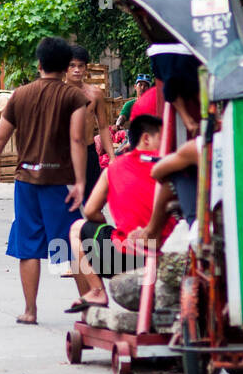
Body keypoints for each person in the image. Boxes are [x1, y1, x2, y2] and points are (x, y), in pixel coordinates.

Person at [0, 37, 88, 324]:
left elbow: (0, 137)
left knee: (29, 245)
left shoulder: (20, 95)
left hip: (25, 181)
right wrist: (81, 181)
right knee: (73, 243)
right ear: (65, 66)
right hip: (60, 181)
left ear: (39, 64)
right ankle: (90, 308)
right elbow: (77, 139)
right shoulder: (73, 97)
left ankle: (30, 311)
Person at [65, 115, 175, 311]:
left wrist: (104, 225)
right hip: (169, 252)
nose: (166, 142)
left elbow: (90, 211)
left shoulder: (113, 169)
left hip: (125, 256)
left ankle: (97, 291)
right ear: (146, 138)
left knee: (76, 228)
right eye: (162, 137)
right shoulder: (172, 164)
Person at [66, 46, 113, 201]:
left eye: (81, 66)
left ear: (86, 68)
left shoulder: (95, 94)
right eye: (72, 65)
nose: (77, 70)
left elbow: (104, 127)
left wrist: (112, 157)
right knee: (65, 203)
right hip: (64, 154)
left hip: (89, 152)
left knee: (91, 203)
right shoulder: (57, 93)